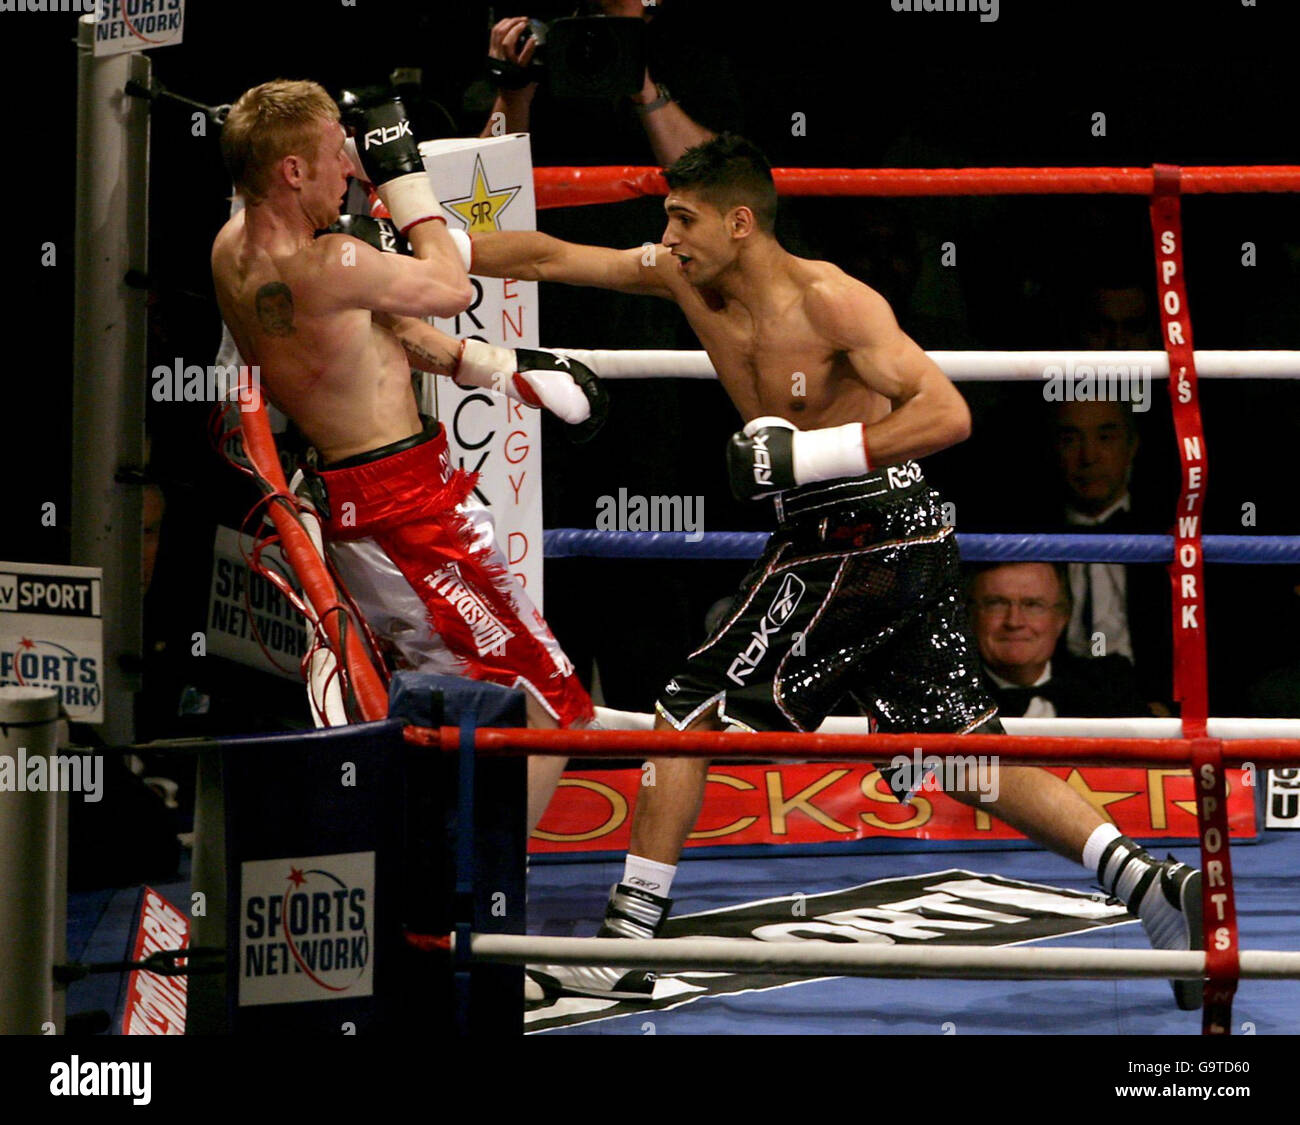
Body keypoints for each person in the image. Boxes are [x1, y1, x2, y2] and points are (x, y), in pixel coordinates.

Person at [467, 133, 1205, 1009]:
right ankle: (1147, 884)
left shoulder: (832, 303)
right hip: (846, 538)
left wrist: (811, 454)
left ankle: (626, 942)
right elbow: (552, 255)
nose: (669, 233)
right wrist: (423, 244)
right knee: (962, 749)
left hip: (873, 531)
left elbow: (947, 411)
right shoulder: (680, 274)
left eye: (685, 217)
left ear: (741, 222)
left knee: (691, 707)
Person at [210, 79, 607, 733]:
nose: (348, 168)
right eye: (338, 153)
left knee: (442, 710)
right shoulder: (330, 261)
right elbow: (452, 286)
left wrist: (490, 368)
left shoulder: (229, 249)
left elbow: (369, 339)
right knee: (551, 709)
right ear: (291, 170)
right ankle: (494, 843)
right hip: (405, 515)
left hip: (363, 504)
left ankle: (441, 836)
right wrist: (402, 171)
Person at [1051, 399, 1172, 710]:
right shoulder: (1026, 536)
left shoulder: (1171, 536)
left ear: (1132, 446)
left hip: (1156, 711)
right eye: (1070, 439)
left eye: (1105, 437)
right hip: (1054, 711)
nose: (1088, 457)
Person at [968, 561, 1148, 718]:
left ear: (1062, 617)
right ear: (969, 615)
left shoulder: (1111, 689)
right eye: (996, 604)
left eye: (1033, 605)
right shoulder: (946, 698)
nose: (1014, 621)